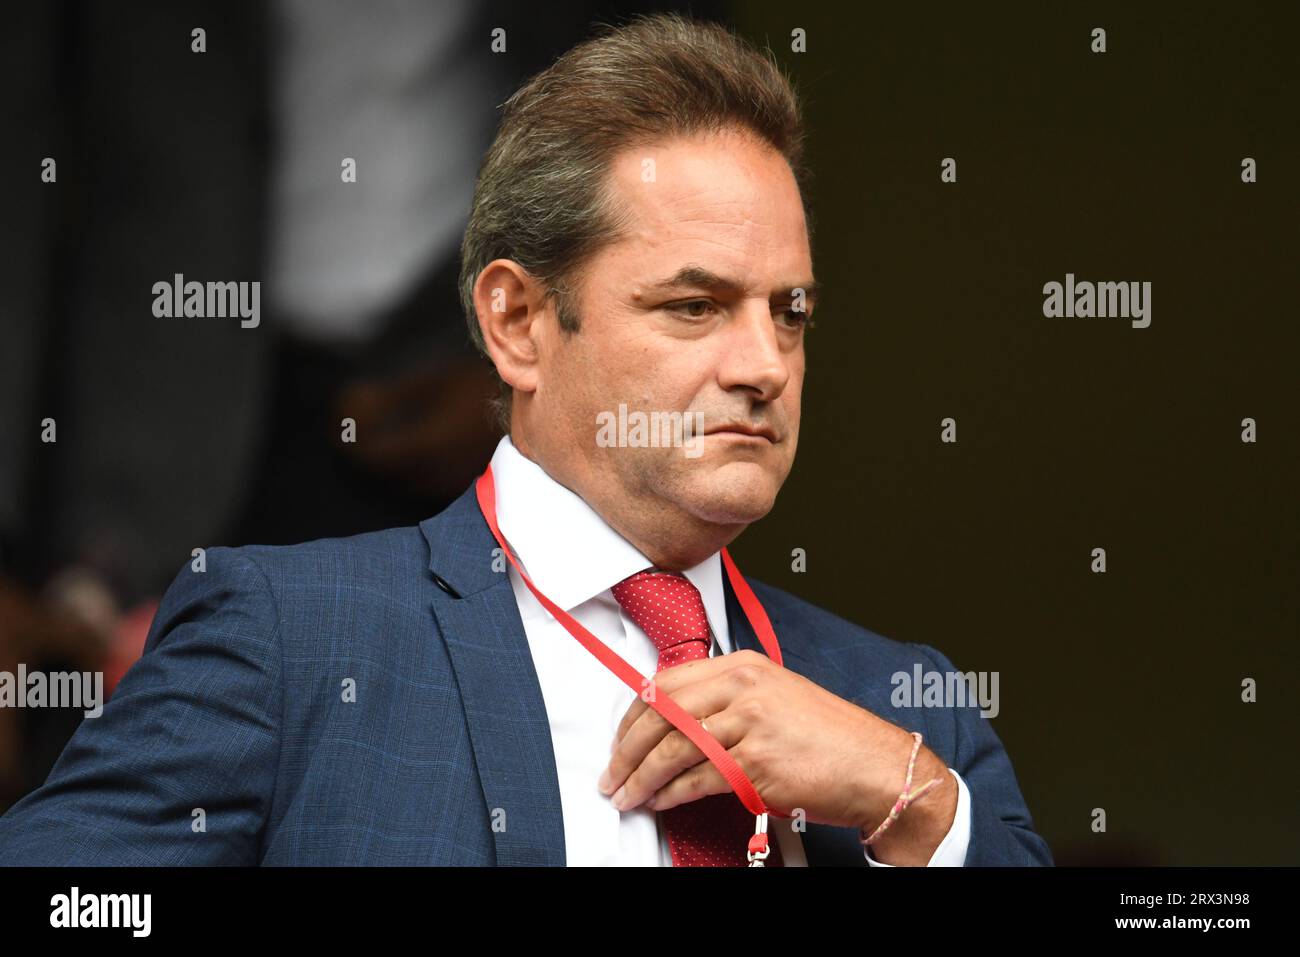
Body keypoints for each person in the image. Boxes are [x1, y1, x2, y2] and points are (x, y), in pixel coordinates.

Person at [0, 13, 1052, 867]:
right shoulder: (288, 641)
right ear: (515, 324)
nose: (764, 364)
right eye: (693, 305)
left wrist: (910, 808)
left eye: (789, 311)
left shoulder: (905, 713)